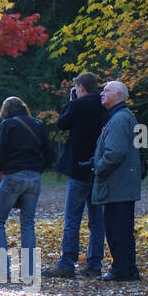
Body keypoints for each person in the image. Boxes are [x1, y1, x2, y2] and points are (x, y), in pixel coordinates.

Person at [0, 96, 55, 280]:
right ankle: (30, 270)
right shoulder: (37, 124)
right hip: (34, 177)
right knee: (27, 222)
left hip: (13, 175)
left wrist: (2, 167)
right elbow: (50, 152)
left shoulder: (8, 125)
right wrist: (40, 167)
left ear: (6, 110)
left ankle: (2, 268)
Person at [46, 72, 106, 279]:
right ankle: (94, 263)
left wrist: (71, 102)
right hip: (99, 168)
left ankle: (67, 263)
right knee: (97, 220)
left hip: (78, 169)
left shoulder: (78, 105)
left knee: (73, 217)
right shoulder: (104, 105)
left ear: (80, 88)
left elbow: (62, 123)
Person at [92, 80, 142, 281]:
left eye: (107, 90)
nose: (102, 93)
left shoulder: (120, 119)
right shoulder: (125, 116)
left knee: (117, 229)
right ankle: (127, 269)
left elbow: (115, 152)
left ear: (119, 95)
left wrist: (98, 168)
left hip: (117, 183)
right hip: (122, 183)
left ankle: (121, 270)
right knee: (122, 227)